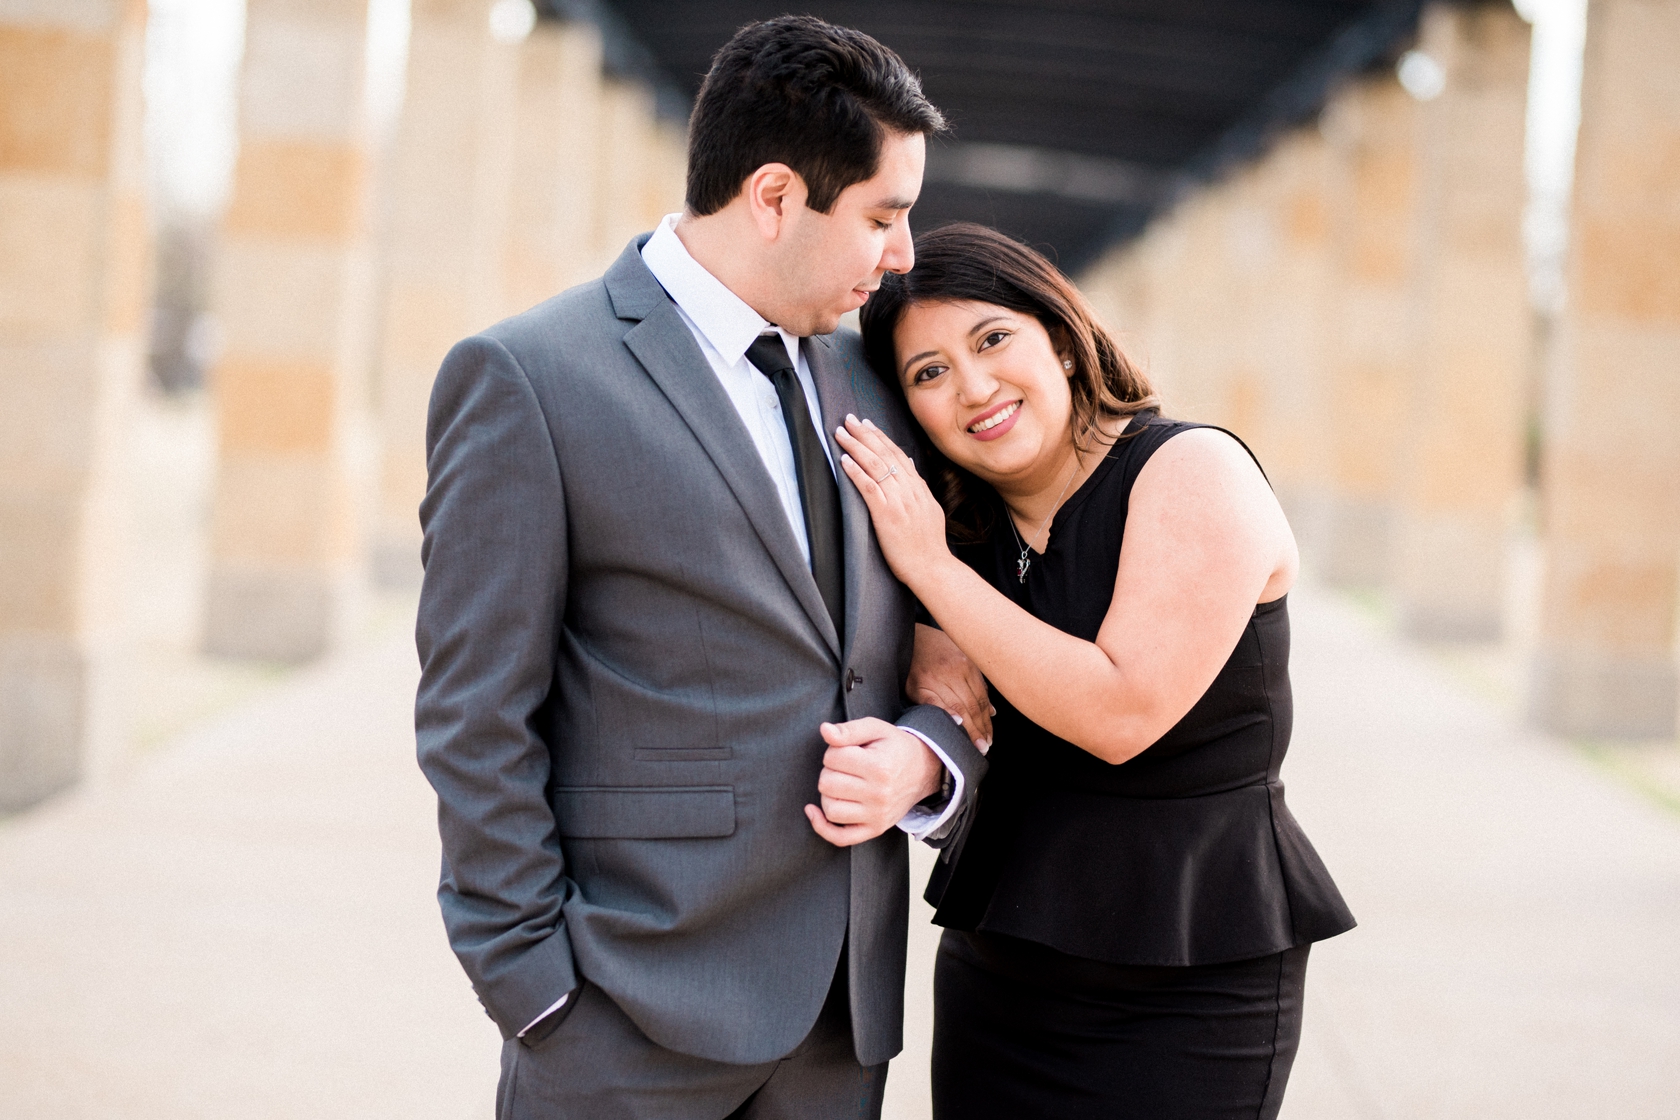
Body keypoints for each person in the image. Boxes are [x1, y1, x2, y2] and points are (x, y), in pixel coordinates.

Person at [413, 18, 990, 1120]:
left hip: (839, 1029)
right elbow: (475, 714)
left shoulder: (875, 381)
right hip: (621, 1022)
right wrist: (534, 992)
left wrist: (926, 758)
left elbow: (944, 640)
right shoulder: (530, 378)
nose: (904, 254)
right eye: (882, 215)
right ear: (775, 197)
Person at [835, 222, 1356, 1120]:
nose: (974, 387)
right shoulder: (959, 528)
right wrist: (915, 628)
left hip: (1190, 979)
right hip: (1003, 966)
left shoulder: (1191, 470)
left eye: (993, 339)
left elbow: (1120, 712)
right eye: (929, 374)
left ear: (1065, 342)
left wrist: (931, 578)